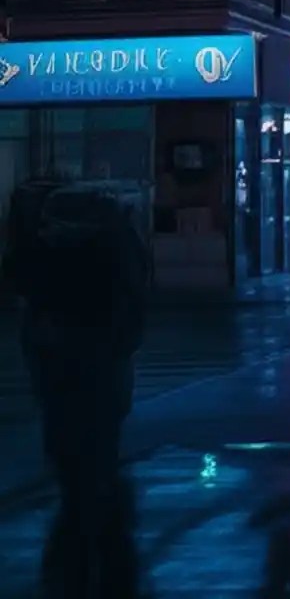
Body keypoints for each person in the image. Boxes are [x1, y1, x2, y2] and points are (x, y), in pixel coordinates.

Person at [2, 180, 147, 595]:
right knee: (98, 453)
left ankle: (77, 549)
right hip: (101, 367)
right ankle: (100, 539)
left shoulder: (48, 248)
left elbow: (22, 288)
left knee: (71, 456)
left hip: (61, 367)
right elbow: (131, 311)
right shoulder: (113, 245)